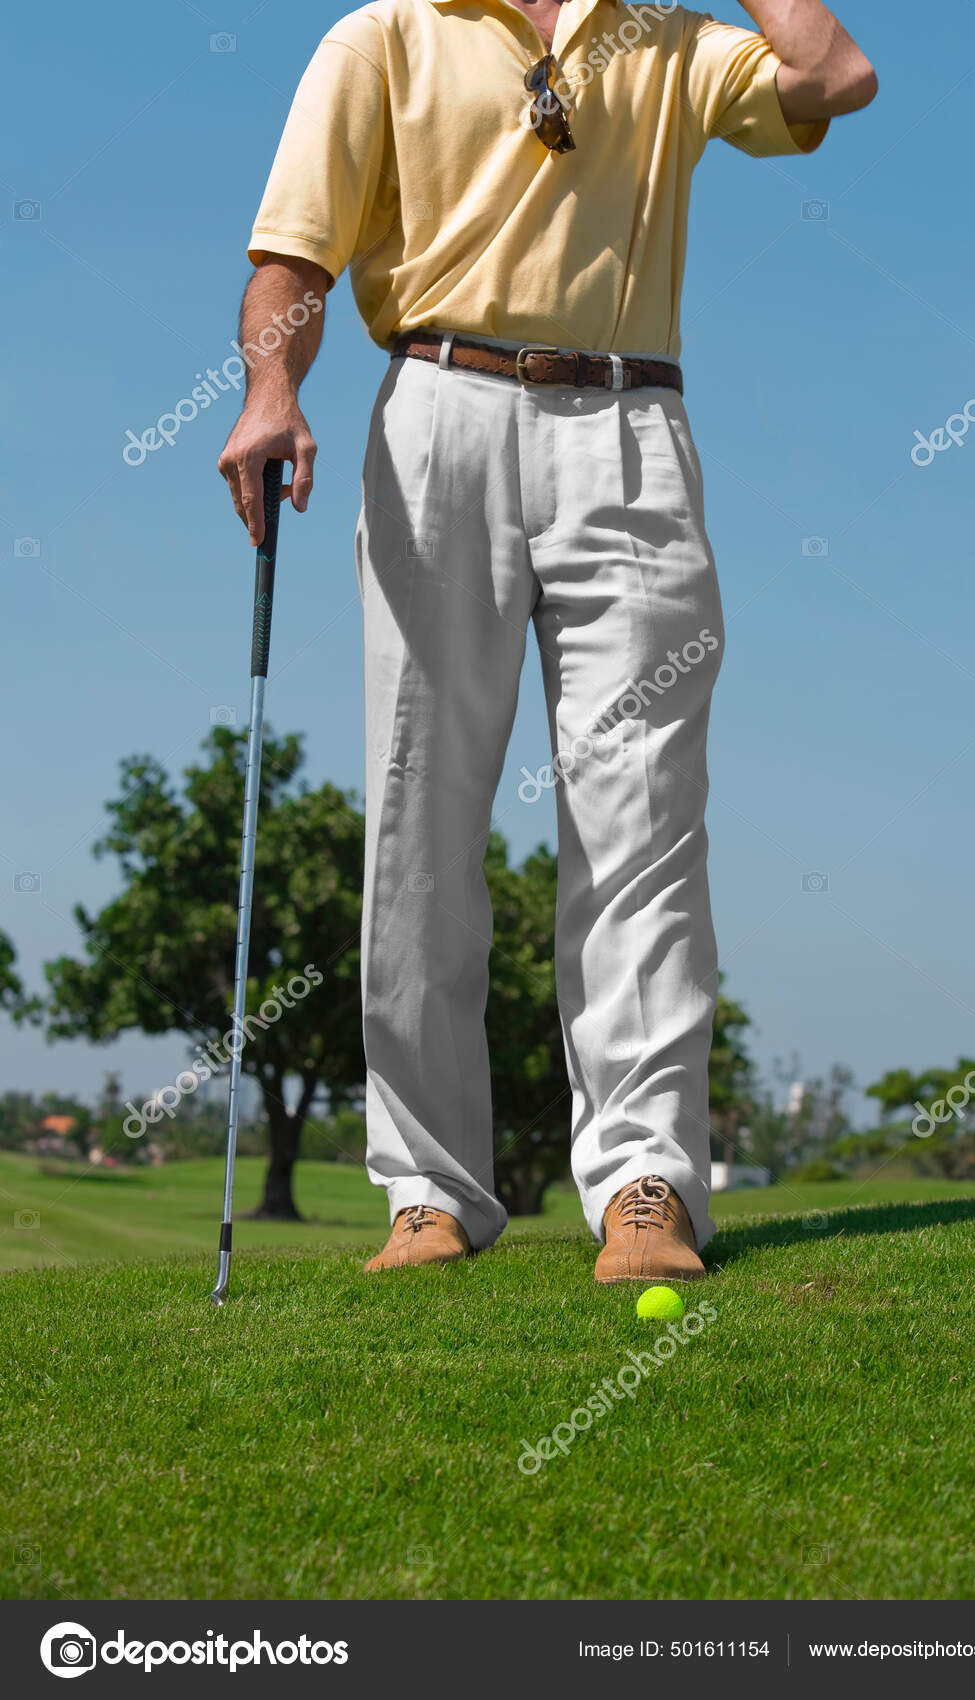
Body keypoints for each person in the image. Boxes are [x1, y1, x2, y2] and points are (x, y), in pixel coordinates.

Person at [219, 0, 876, 1280]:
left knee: (644, 815)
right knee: (419, 819)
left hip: (627, 422)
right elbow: (291, 259)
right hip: (436, 410)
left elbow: (832, 73)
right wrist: (269, 389)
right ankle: (431, 1190)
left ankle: (644, 1180)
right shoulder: (386, 34)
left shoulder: (678, 42)